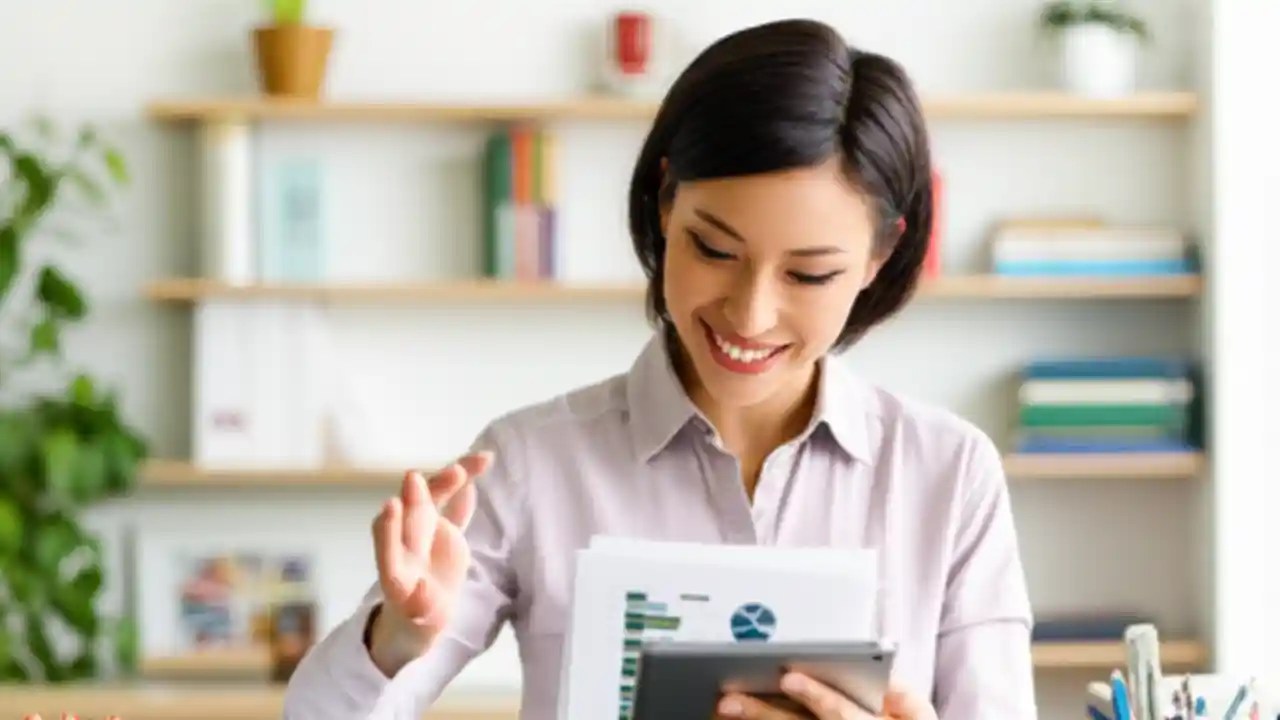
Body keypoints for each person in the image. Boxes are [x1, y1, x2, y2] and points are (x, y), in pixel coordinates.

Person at [283, 17, 1036, 720]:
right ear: (666, 201)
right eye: (714, 249)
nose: (749, 314)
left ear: (878, 258)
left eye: (808, 276)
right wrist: (395, 638)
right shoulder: (533, 463)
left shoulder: (948, 474)